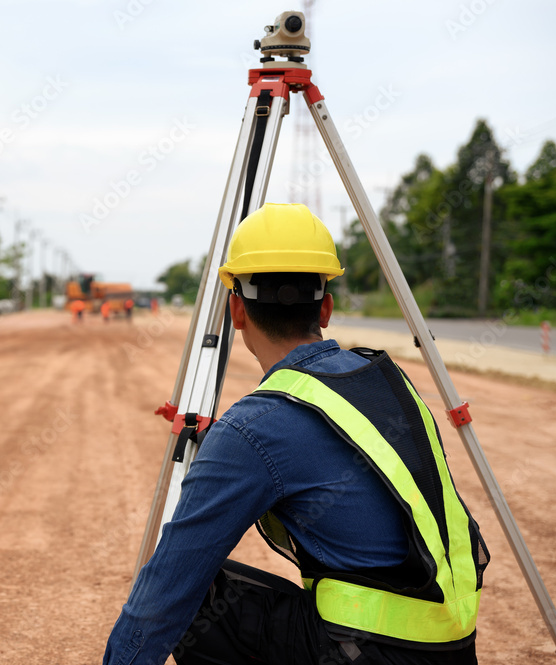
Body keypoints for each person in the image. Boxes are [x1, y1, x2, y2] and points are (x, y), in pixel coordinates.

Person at [103, 203, 489, 665]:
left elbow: (165, 591)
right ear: (325, 308)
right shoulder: (387, 378)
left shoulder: (254, 426)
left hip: (367, 653)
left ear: (236, 310)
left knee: (196, 594)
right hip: (452, 646)